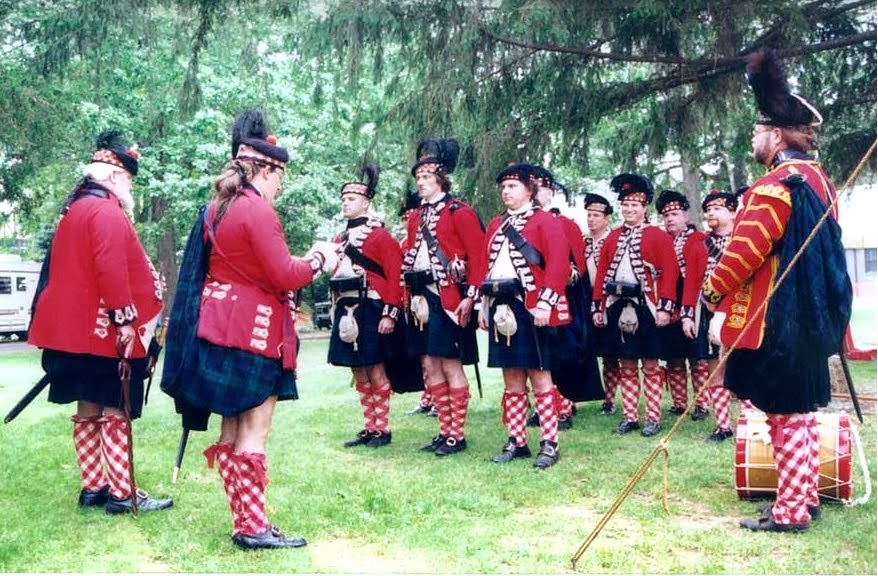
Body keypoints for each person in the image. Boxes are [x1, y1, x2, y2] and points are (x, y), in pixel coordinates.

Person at [161, 110, 338, 549]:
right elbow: (285, 275)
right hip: (254, 335)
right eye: (280, 177)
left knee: (232, 430)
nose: (280, 187)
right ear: (266, 170)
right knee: (254, 431)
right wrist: (320, 259)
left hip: (219, 332)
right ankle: (253, 526)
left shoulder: (217, 208)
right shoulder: (256, 211)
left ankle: (245, 520)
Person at [702, 49, 851, 532]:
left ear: (777, 135)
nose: (753, 137)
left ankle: (790, 511)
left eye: (757, 129)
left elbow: (743, 252)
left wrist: (711, 291)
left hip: (776, 318)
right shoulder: (820, 181)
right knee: (798, 413)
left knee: (784, 414)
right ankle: (802, 498)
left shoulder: (774, 185)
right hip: (809, 318)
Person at [28, 130, 172, 514]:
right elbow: (110, 269)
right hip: (101, 330)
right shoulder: (106, 211)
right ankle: (122, 492)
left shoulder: (76, 208)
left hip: (75, 332)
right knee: (115, 406)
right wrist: (124, 321)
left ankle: (93, 487)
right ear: (114, 175)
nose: (130, 187)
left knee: (88, 403)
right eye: (128, 178)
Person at [479, 163, 570, 468]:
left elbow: (558, 264)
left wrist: (546, 303)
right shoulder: (496, 224)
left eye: (513, 186)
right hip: (501, 307)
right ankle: (517, 440)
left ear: (529, 190)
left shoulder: (545, 221)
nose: (506, 191)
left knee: (540, 376)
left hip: (531, 307)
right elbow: (486, 267)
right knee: (512, 377)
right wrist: (483, 306)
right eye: (503, 187)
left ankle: (550, 442)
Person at [401, 138, 485, 456]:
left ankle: (457, 435)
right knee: (430, 363)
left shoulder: (459, 212)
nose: (420, 182)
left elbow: (478, 257)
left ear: (441, 179)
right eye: (418, 177)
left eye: (426, 177)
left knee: (450, 364)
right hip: (420, 298)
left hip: (448, 299)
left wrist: (471, 298)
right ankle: (443, 430)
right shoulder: (415, 217)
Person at [591, 174, 679, 437]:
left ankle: (653, 417)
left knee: (650, 365)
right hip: (618, 305)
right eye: (625, 205)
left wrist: (664, 308)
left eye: (634, 205)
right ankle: (630, 416)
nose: (629, 209)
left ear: (644, 207)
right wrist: (598, 307)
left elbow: (670, 273)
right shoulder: (613, 237)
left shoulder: (658, 236)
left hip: (647, 307)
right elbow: (602, 275)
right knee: (626, 364)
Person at [328, 164, 404, 449]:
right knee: (357, 370)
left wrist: (390, 313)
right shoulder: (339, 239)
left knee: (375, 369)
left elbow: (395, 277)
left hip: (371, 307)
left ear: (366, 203)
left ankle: (382, 429)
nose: (346, 203)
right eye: (344, 199)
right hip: (346, 306)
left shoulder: (380, 236)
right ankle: (370, 426)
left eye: (352, 199)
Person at [532, 166, 603, 429]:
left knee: (562, 353)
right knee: (537, 356)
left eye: (540, 188)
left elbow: (579, 267)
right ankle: (543, 407)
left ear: (550, 192)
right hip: (530, 299)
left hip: (564, 300)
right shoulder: (520, 223)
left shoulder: (565, 224)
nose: (535, 192)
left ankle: (563, 406)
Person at [654, 190, 711, 421]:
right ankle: (679, 403)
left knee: (697, 358)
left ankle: (701, 404)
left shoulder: (699, 240)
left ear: (685, 216)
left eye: (675, 214)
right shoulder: (661, 241)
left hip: (693, 301)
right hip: (668, 302)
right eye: (666, 215)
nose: (670, 219)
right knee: (673, 357)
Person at [692, 189, 738, 442]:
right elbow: (693, 282)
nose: (711, 213)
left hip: (740, 309)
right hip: (709, 311)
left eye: (717, 208)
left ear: (732, 212)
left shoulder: (743, 241)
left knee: (744, 368)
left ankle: (750, 423)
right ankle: (723, 425)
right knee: (714, 368)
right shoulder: (701, 245)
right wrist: (688, 314)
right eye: (708, 209)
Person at [582, 193, 621, 416]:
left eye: (596, 215)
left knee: (611, 353)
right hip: (587, 300)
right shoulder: (584, 242)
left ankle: (609, 399)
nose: (591, 219)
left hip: (610, 299)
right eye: (589, 215)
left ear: (606, 218)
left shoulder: (614, 240)